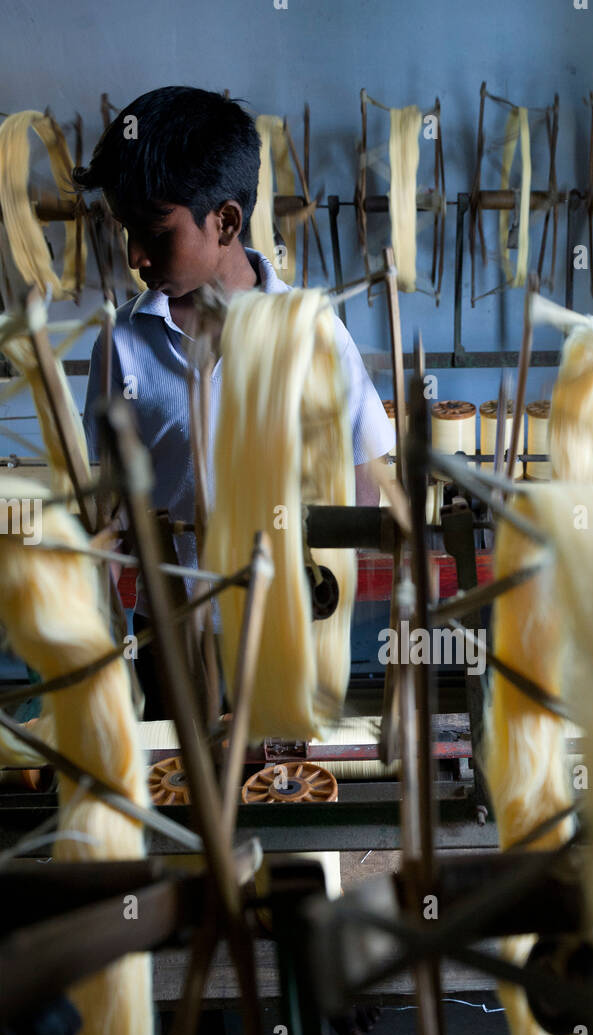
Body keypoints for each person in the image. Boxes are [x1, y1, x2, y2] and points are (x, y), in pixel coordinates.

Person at [74, 85, 394, 713]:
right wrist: (100, 635)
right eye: (126, 232)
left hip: (286, 633)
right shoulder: (121, 342)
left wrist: (318, 580)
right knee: (181, 786)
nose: (135, 255)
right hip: (170, 634)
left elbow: (364, 478)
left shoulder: (311, 330)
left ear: (224, 221)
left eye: (154, 234)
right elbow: (110, 515)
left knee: (283, 787)